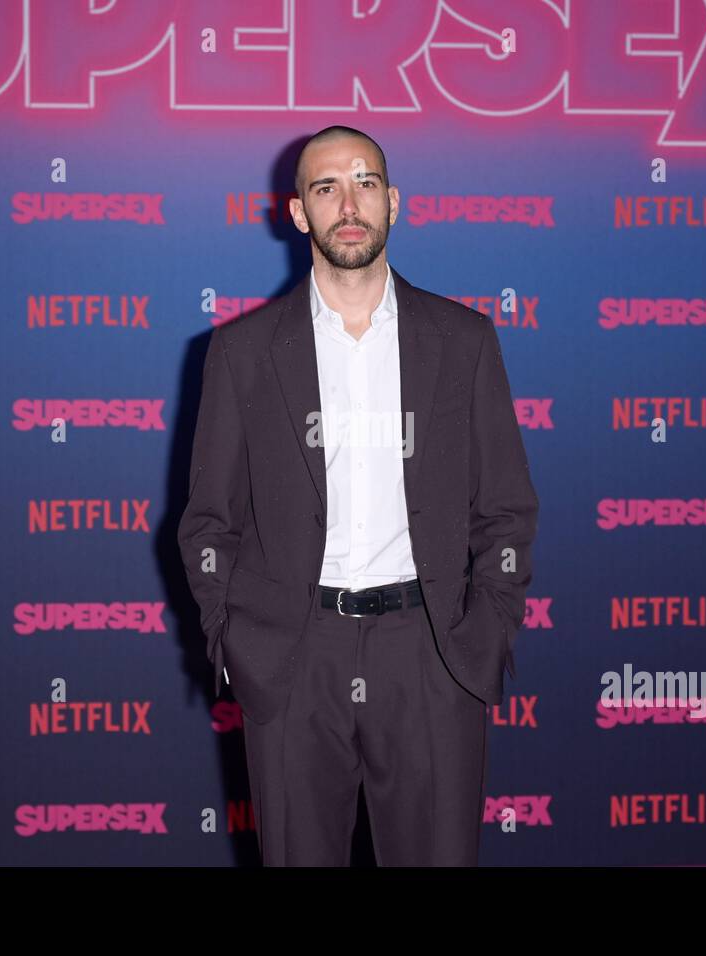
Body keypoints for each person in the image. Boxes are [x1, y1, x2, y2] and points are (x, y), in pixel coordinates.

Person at [178, 125, 539, 865]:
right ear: (299, 213)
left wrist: (487, 627)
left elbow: (506, 507)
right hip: (294, 656)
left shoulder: (463, 339)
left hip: (432, 652)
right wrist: (232, 635)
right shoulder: (241, 355)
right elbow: (208, 523)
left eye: (365, 182)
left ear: (393, 202)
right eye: (326, 187)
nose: (349, 203)